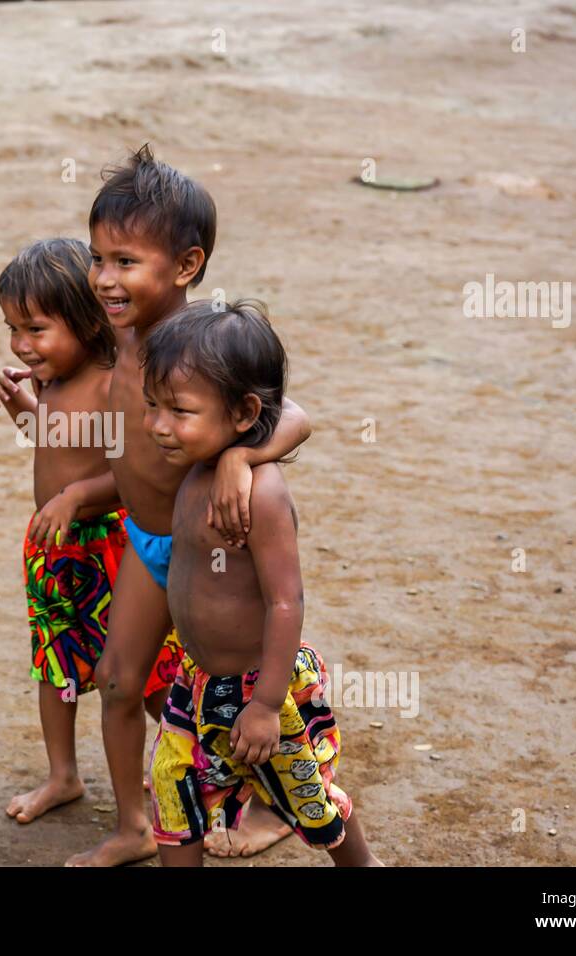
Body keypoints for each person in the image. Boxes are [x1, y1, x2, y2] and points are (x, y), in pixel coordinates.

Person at [63, 146, 314, 866]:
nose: (105, 279)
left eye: (125, 262)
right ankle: (132, 825)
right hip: (148, 538)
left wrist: (242, 454)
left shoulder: (200, 343)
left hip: (209, 553)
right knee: (118, 681)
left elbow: (295, 414)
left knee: (240, 691)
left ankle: (276, 804)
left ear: (185, 266)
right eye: (98, 258)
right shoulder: (113, 330)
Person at [142, 298, 381, 866]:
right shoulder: (200, 468)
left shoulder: (260, 492)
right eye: (152, 406)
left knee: (311, 802)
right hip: (197, 685)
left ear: (245, 412)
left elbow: (284, 599)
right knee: (175, 801)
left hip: (261, 690)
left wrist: (269, 703)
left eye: (178, 411)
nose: (157, 425)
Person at [0, 237, 181, 825]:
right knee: (56, 666)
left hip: (109, 546)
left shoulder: (111, 384)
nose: (22, 345)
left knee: (144, 676)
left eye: (36, 330)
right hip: (52, 549)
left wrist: (76, 496)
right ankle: (63, 775)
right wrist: (24, 406)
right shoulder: (52, 381)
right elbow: (58, 443)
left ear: (86, 320)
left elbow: (126, 475)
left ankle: (198, 762)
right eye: (12, 329)